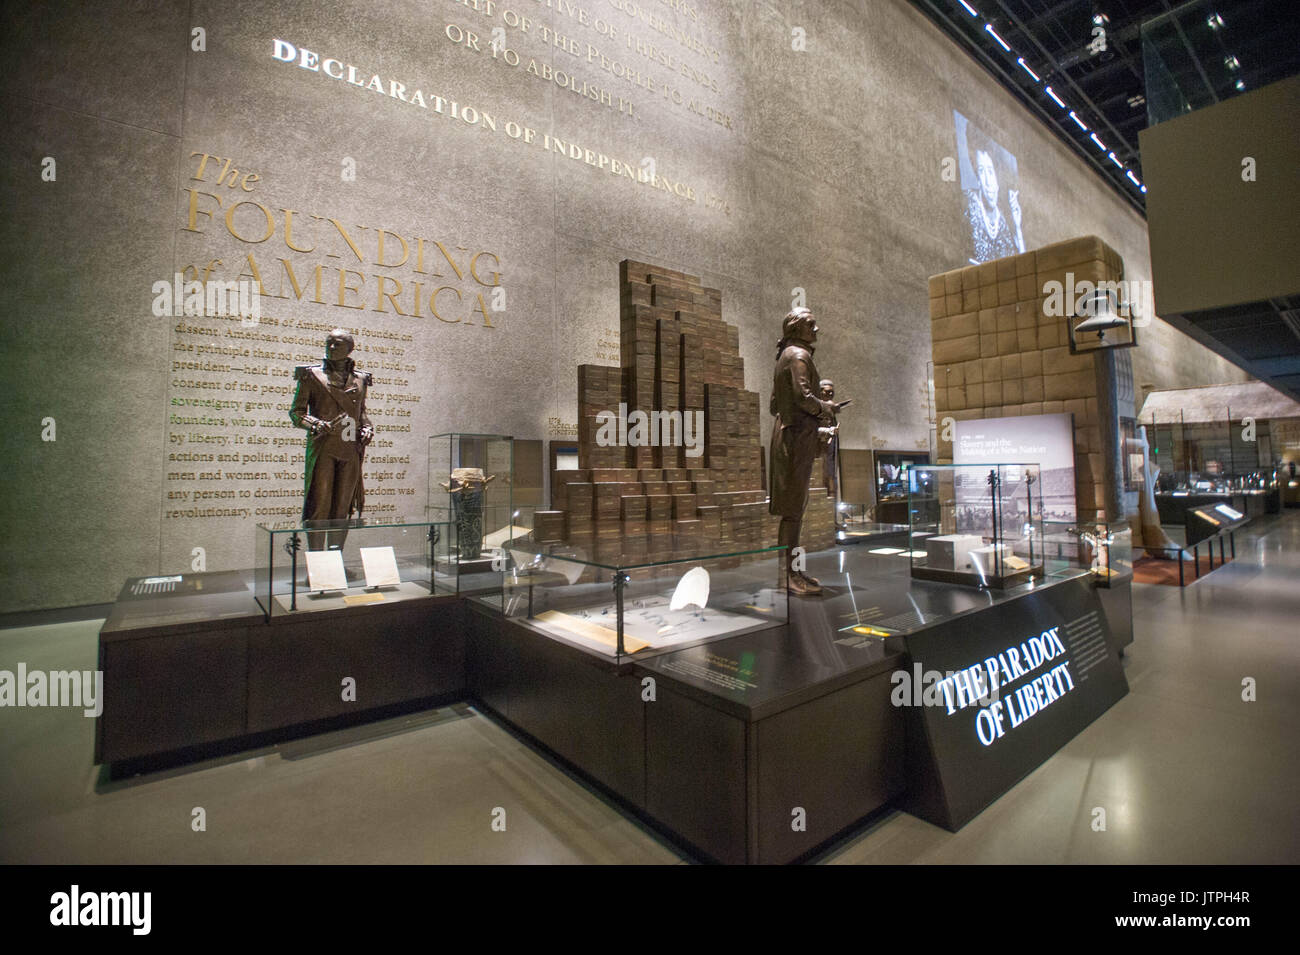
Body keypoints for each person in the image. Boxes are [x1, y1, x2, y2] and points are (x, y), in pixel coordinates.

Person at [769, 308, 847, 595]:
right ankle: (789, 576)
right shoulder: (799, 356)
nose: (817, 330)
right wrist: (825, 408)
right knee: (793, 512)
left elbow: (774, 405)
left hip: (790, 435)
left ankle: (793, 572)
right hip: (795, 439)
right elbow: (803, 397)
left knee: (794, 511)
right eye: (811, 325)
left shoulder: (786, 356)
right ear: (797, 329)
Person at [289, 329, 374, 549]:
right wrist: (316, 424)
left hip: (350, 448)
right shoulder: (311, 375)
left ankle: (335, 561)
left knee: (342, 508)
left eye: (337, 344)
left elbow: (361, 411)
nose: (332, 347)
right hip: (323, 447)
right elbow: (296, 413)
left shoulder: (361, 379)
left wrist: (367, 427)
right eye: (329, 343)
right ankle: (318, 563)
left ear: (349, 349)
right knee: (320, 505)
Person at [963, 122, 1024, 263]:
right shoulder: (970, 208)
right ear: (977, 177)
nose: (988, 182)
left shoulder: (1003, 223)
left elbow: (1022, 269)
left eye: (990, 172)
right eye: (981, 171)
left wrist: (1017, 227)